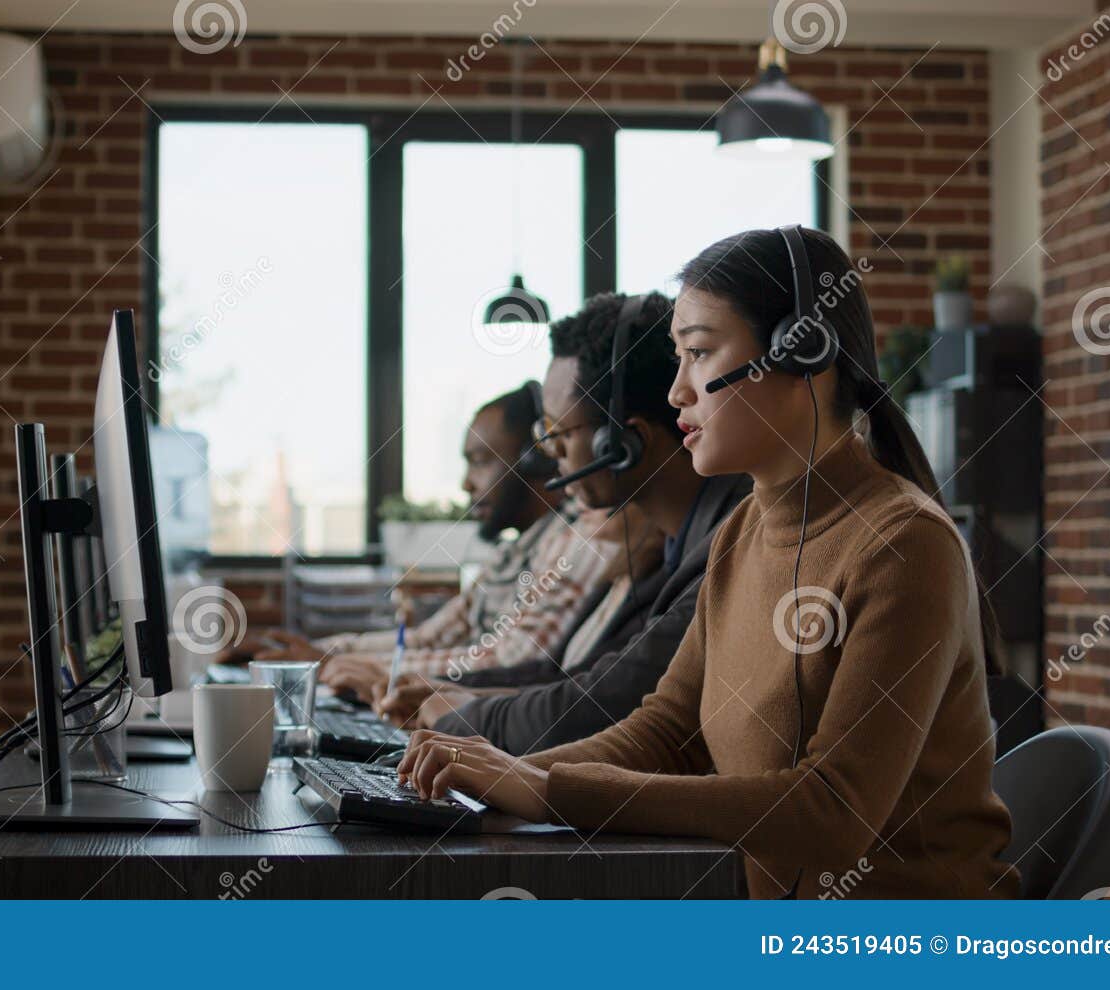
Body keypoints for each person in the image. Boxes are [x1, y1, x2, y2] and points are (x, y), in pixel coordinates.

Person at [398, 227, 1018, 899]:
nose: (676, 393)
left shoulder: (903, 545)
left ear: (802, 349)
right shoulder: (741, 530)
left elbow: (832, 813)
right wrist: (494, 782)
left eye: (698, 353)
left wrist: (544, 790)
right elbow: (666, 730)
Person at [376, 291, 750, 754]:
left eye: (557, 435)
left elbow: (594, 711)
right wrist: (456, 696)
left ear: (619, 442)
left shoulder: (724, 544)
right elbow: (581, 681)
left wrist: (457, 715)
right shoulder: (673, 550)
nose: (550, 460)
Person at [250, 384, 619, 686]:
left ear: (535, 459)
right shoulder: (515, 550)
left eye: (479, 461)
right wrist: (318, 654)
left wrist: (357, 670)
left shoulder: (575, 538)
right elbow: (429, 638)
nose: (466, 483)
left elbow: (508, 660)